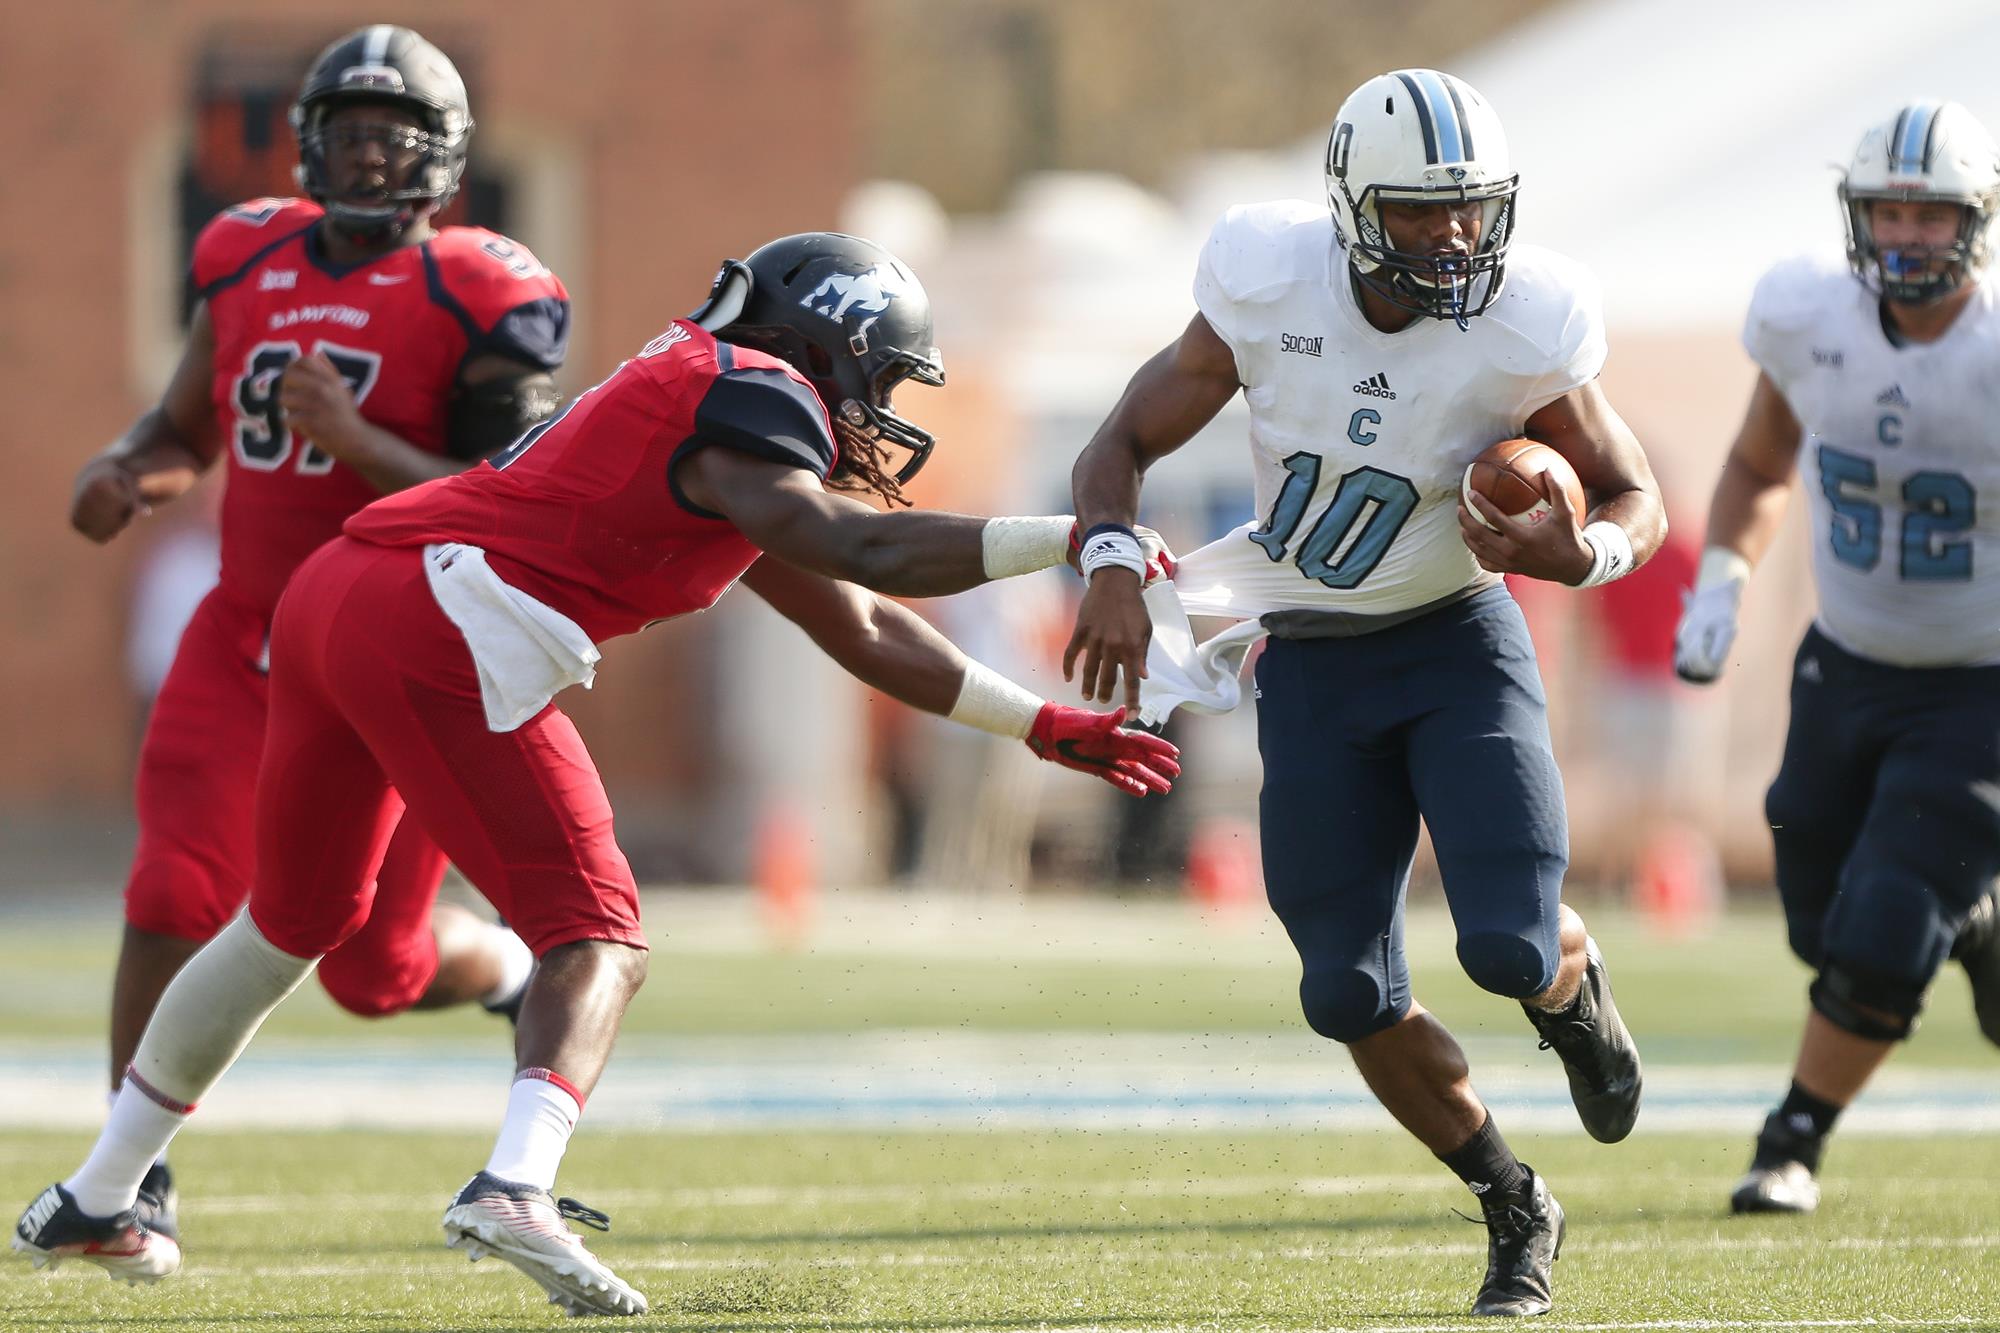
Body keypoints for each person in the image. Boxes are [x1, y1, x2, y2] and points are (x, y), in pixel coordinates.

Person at [12, 230, 1180, 1317]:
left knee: (288, 923)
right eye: (877, 377)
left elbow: (862, 623)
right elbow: (859, 544)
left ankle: (100, 1194)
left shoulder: (716, 421)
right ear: (823, 347)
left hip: (342, 593)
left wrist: (1035, 722)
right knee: (598, 932)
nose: (877, 412)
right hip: (437, 618)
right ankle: (514, 1185)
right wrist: (1074, 535)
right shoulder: (753, 400)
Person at [1063, 69, 1663, 1317]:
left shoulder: (1525, 316)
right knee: (1343, 990)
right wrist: (1111, 559)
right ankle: (1510, 1197)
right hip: (1314, 663)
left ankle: (1573, 990)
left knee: (1506, 943)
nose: (1453, 236)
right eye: (1419, 211)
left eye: (1470, 207)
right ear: (1349, 206)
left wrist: (1585, 554)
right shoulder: (1265, 280)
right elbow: (1119, 439)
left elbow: (1632, 492)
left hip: (1455, 646)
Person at [60, 25, 572, 1243]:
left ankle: (497, 967)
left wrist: (362, 445)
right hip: (245, 635)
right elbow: (187, 427)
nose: (366, 159)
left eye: (392, 139)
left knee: (371, 972)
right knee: (172, 888)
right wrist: (129, 469)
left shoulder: (479, 288)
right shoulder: (247, 251)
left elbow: (512, 499)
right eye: (346, 135)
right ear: (306, 145)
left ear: (444, 159)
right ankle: (127, 1188)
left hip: (393, 656)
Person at [1673, 99, 2000, 1216]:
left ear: (1975, 220)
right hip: (1848, 663)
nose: (1904, 234)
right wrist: (1720, 577)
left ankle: (1791, 1141)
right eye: (1886, 211)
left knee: (1882, 926)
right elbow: (1760, 462)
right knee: (1820, 916)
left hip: (1979, 685)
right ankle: (1977, 918)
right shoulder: (1808, 316)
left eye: (1929, 213)